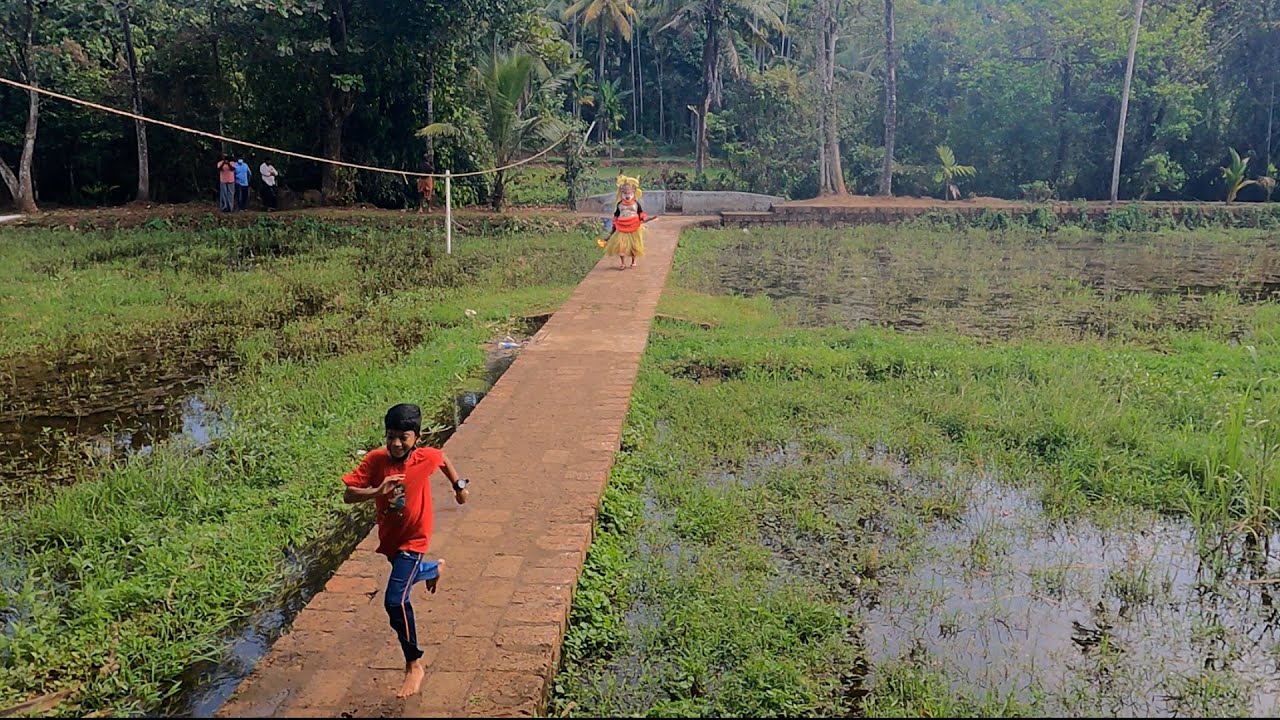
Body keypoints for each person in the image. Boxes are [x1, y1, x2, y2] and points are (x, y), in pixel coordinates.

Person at [341, 403, 470, 699]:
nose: (396, 443)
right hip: (391, 539)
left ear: (417, 437)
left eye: (404, 437)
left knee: (395, 601)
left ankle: (414, 664)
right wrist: (377, 491)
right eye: (391, 436)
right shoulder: (376, 461)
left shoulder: (425, 457)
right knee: (405, 575)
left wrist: (459, 487)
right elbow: (349, 494)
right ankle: (432, 569)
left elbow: (443, 459)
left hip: (415, 538)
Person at [603, 175, 650, 270]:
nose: (627, 195)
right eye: (625, 193)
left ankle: (633, 261)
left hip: (634, 226)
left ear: (633, 192)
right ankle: (623, 263)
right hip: (622, 227)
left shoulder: (636, 204)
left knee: (634, 246)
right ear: (621, 193)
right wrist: (614, 223)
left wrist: (643, 217)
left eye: (629, 193)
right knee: (621, 246)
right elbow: (616, 214)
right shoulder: (619, 205)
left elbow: (640, 212)